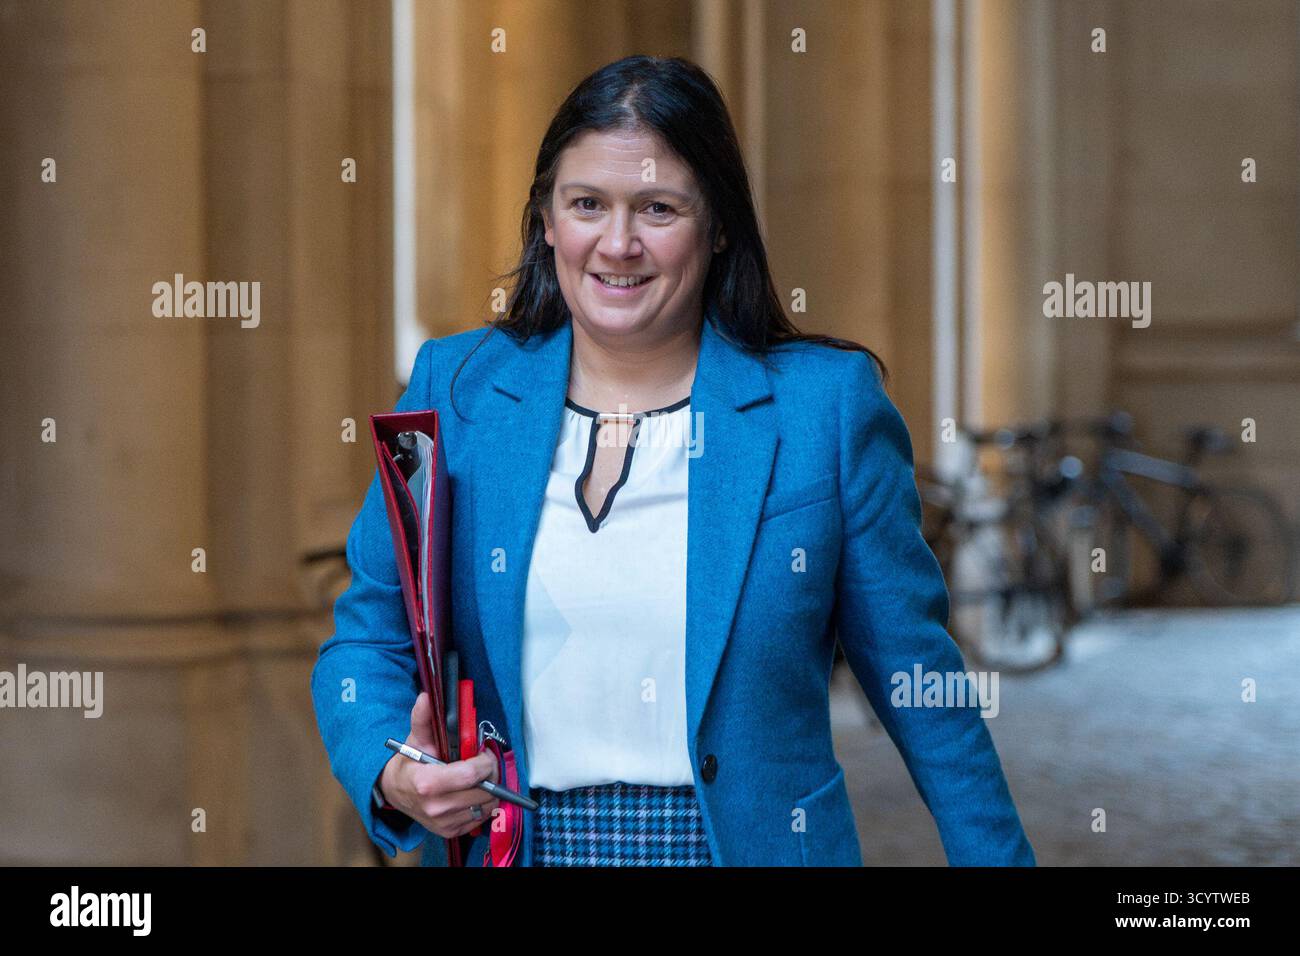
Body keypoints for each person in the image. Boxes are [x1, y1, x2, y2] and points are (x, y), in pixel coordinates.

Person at [311, 55, 1035, 867]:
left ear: (718, 224)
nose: (617, 245)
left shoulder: (824, 410)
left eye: (658, 208)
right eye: (587, 204)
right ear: (547, 219)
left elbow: (919, 685)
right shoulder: (461, 392)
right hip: (525, 851)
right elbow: (369, 635)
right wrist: (390, 769)